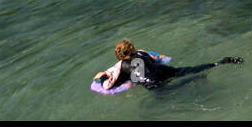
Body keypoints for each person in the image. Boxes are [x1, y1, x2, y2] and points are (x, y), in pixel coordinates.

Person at [93, 39, 242, 91]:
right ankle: (220, 62)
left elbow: (107, 86)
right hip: (163, 70)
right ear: (132, 48)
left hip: (153, 82)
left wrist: (103, 76)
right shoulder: (142, 52)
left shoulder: (119, 67)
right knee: (189, 69)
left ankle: (192, 81)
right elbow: (157, 58)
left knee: (166, 91)